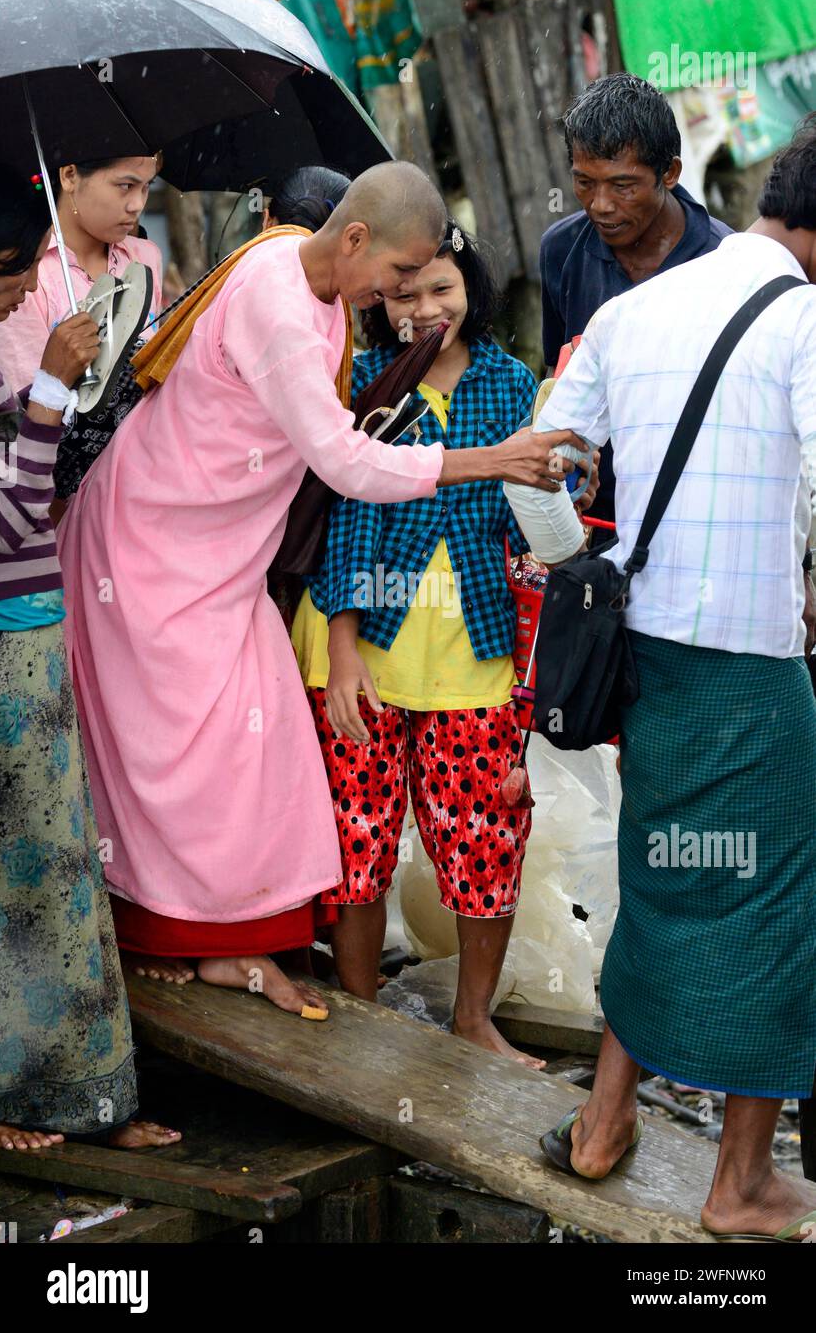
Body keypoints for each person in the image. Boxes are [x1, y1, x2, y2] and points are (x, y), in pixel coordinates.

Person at [58, 162, 583, 1023]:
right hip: (150, 538)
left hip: (219, 549)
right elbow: (345, 463)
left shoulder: (306, 278)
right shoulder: (282, 303)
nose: (397, 297)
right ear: (353, 241)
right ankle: (168, 934)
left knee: (263, 743)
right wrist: (489, 459)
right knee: (178, 746)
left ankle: (229, 940)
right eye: (396, 275)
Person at [507, 121, 816, 1241]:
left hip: (646, 656)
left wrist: (575, 570)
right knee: (778, 904)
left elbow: (533, 463)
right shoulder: (803, 321)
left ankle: (602, 1124)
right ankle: (741, 1183)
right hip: (749, 666)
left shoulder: (625, 319)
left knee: (665, 868)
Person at [292, 223, 593, 1066]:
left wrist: (567, 479)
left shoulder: (511, 387)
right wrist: (343, 652)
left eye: (443, 289)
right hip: (364, 656)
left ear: (473, 290)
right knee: (359, 839)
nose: (426, 309)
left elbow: (537, 519)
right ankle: (358, 1013)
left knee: (483, 839)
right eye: (405, 293)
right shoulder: (358, 384)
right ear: (377, 299)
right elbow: (342, 524)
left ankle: (471, 1018)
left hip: (479, 654)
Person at [0, 165, 179, 1153]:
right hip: (9, 624)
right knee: (13, 870)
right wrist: (55, 391)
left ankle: (84, 1093)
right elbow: (13, 507)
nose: (29, 291)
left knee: (59, 865)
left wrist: (69, 399)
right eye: (12, 274)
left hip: (33, 619)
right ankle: (12, 1097)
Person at [539, 73, 731, 519]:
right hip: (597, 517)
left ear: (670, 172)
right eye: (584, 182)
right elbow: (557, 378)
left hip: (698, 510)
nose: (601, 204)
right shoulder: (561, 251)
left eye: (622, 186)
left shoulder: (724, 262)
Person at [0, 154, 163, 507]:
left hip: (129, 488)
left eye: (147, 187)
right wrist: (57, 382)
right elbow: (17, 424)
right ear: (70, 175)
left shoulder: (145, 259)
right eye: (125, 185)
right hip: (50, 498)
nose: (137, 204)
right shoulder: (23, 272)